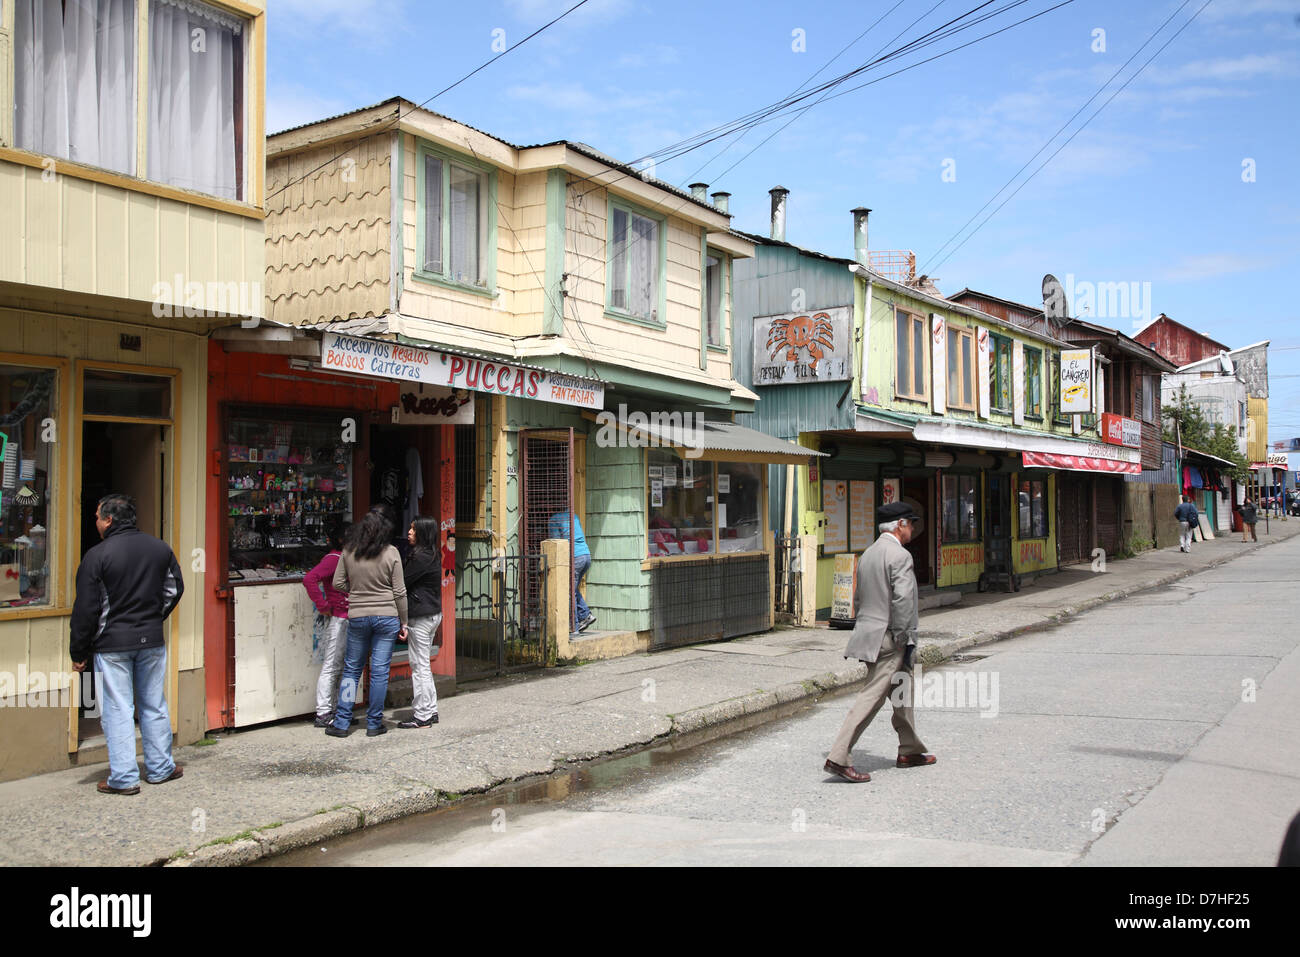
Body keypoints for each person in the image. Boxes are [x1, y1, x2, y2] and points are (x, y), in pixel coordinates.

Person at [70, 494, 184, 795]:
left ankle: (124, 778)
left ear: (108, 520)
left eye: (97, 517)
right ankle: (160, 769)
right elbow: (174, 588)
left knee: (118, 710)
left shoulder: (97, 555)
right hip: (151, 640)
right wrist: (152, 618)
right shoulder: (160, 548)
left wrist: (78, 652)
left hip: (112, 645)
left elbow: (86, 610)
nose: (95, 522)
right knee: (153, 704)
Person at [824, 501, 936, 783]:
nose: (912, 528)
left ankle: (909, 750)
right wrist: (903, 638)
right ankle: (838, 757)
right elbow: (903, 601)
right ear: (899, 525)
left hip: (871, 636)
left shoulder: (869, 554)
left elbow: (859, 599)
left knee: (902, 692)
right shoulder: (900, 556)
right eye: (910, 523)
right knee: (871, 697)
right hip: (891, 638)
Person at [327, 510, 407, 737]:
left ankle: (342, 722)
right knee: (380, 672)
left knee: (352, 669)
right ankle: (374, 724)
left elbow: (337, 582)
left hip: (358, 616)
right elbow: (400, 592)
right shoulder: (392, 552)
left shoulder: (349, 551)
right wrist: (405, 621)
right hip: (387, 617)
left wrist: (356, 592)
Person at [303, 525, 350, 728]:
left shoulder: (345, 558)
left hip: (347, 618)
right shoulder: (334, 559)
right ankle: (323, 712)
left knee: (342, 666)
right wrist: (323, 606)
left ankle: (339, 709)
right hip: (339, 618)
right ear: (341, 539)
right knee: (332, 665)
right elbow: (309, 579)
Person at [399, 516, 443, 729]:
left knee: (419, 666)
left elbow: (403, 582)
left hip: (421, 616)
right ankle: (430, 709)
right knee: (424, 664)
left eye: (413, 529)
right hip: (431, 613)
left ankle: (423, 715)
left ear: (423, 533)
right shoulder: (432, 554)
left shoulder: (421, 558)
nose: (409, 532)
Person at [548, 509, 595, 633]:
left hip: (575, 557)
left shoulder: (553, 519)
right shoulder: (573, 515)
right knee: (572, 589)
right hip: (586, 555)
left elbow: (556, 543)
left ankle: (574, 626)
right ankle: (585, 615)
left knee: (569, 592)